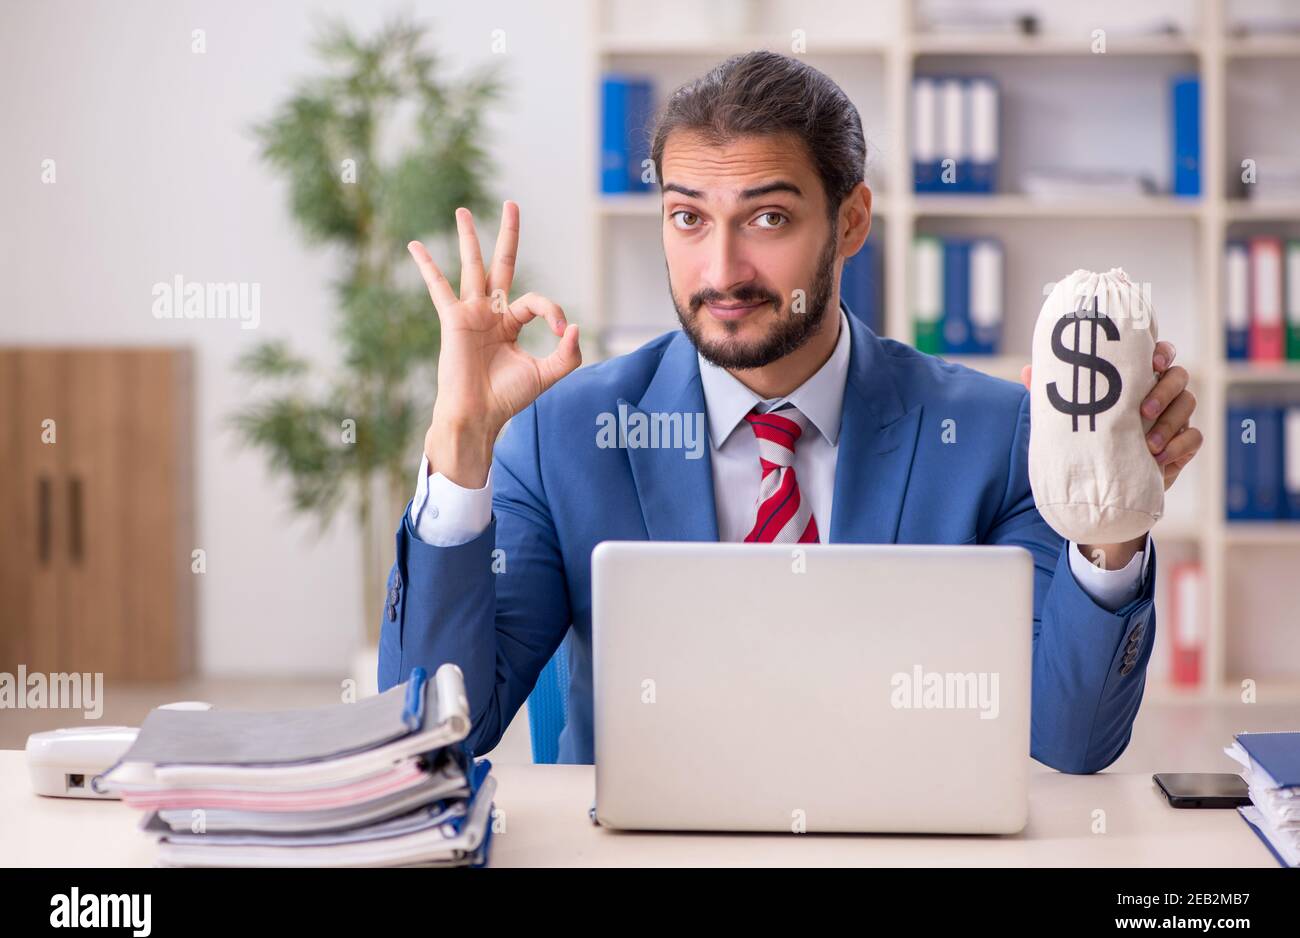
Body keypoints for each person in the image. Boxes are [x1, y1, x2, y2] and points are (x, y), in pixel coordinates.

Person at [379, 51, 1201, 772]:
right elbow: (434, 738)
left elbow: (1068, 738)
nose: (722, 268)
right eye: (688, 217)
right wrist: (460, 445)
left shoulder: (994, 436)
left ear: (849, 222)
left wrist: (1110, 527)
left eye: (767, 217)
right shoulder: (564, 438)